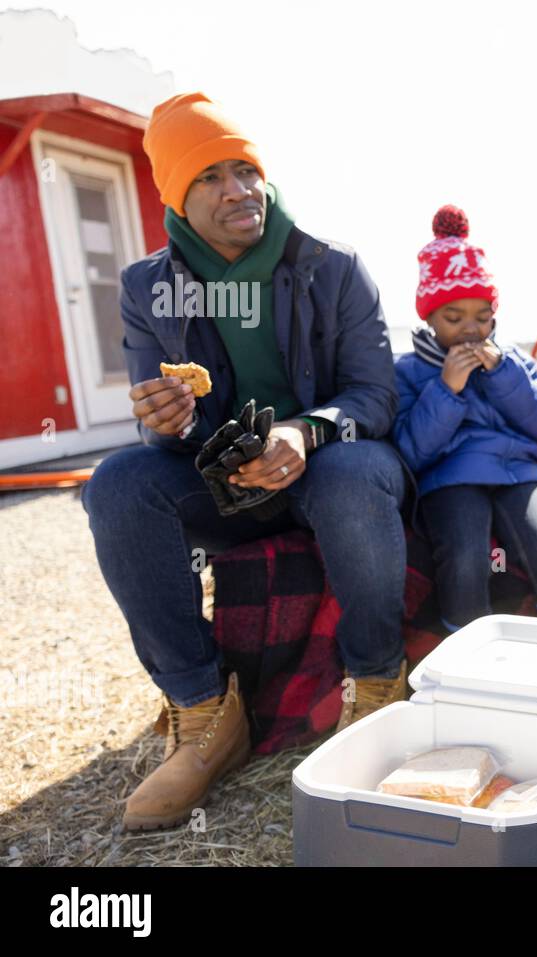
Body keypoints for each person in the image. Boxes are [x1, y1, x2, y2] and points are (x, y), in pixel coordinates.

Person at [81, 92, 412, 831]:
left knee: (355, 473)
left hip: (331, 471)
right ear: (175, 196)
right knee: (118, 485)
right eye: (209, 178)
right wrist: (173, 423)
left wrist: (305, 432)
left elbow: (374, 396)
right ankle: (205, 714)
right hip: (225, 482)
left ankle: (379, 686)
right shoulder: (146, 289)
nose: (237, 190)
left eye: (244, 170)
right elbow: (165, 425)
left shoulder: (334, 268)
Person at [392, 205, 537, 632]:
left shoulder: (512, 361)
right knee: (463, 552)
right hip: (449, 478)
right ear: (429, 317)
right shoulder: (408, 370)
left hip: (517, 471)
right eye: (453, 318)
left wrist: (502, 376)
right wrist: (446, 390)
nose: (470, 330)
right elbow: (409, 452)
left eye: (482, 317)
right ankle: (464, 649)